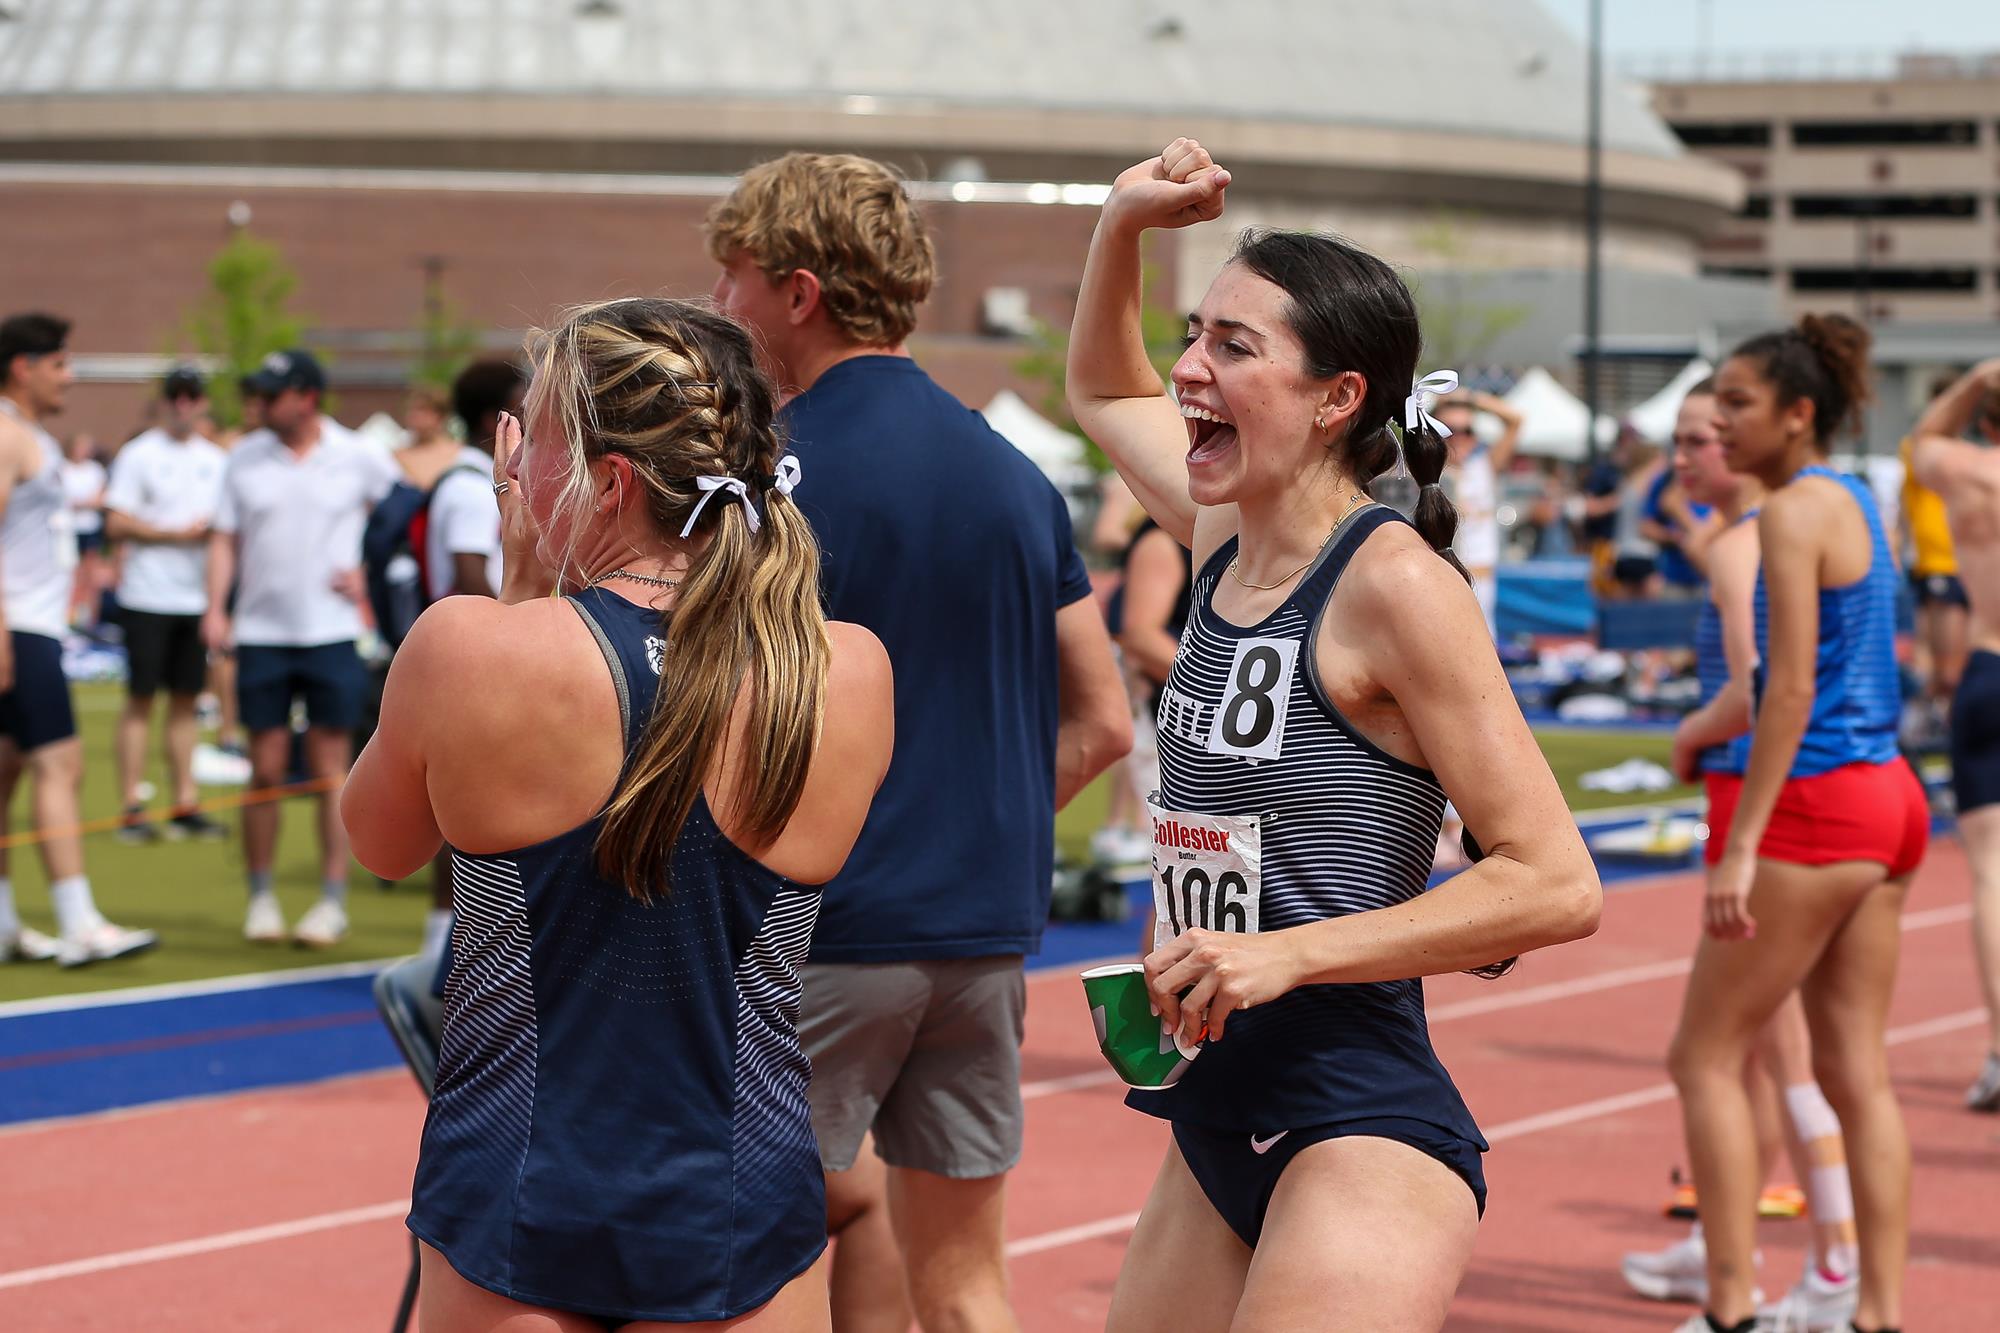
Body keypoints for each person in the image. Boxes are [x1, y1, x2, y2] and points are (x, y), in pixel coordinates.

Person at [1066, 138, 1600, 1332]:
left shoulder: (1394, 587)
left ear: (1335, 397)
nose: (1187, 367)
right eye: (1193, 334)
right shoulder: (1217, 534)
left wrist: (1285, 955)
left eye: (1230, 347)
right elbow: (1102, 389)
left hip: (1354, 1112)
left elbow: (1557, 882)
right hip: (1213, 1106)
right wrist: (1120, 226)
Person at [344, 296, 893, 1331]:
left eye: (535, 439)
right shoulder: (847, 669)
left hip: (514, 1186)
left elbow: (377, 843)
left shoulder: (469, 650)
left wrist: (516, 593)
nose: (515, 467)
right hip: (743, 1189)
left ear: (608, 480)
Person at [707, 150, 1132, 1333]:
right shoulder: (1013, 476)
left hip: (821, 926)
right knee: (964, 1281)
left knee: (764, 1254)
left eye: (730, 279)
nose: (718, 308)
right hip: (982, 930)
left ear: (797, 291)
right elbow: (1100, 720)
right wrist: (969, 825)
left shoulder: (766, 479)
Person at [1668, 314, 1927, 1333]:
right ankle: (1876, 1313)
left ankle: (1728, 1307)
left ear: (1796, 413)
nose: (1719, 422)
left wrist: (1741, 842)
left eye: (1734, 403)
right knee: (1854, 1070)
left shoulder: (1783, 517)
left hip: (1818, 801)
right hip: (1891, 797)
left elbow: (1780, 694)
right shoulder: (1858, 499)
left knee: (1701, 1055)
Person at [1625, 381, 1861, 1329]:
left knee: (1767, 1055)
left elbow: (1759, 685)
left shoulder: (1742, 547)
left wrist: (1688, 732)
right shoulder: (1771, 528)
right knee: (1771, 1053)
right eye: (1677, 441)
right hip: (1804, 797)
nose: (1684, 458)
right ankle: (1742, 1248)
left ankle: (1810, 1273)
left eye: (1701, 441)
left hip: (1760, 804)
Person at [205, 348, 400, 948]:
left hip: (331, 633)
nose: (259, 403)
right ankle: (261, 897)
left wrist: (369, 572)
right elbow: (223, 539)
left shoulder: (359, 455)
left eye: (272, 393)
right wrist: (215, 608)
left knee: (328, 771)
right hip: (261, 635)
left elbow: (403, 517)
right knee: (262, 769)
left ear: (307, 398)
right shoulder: (241, 458)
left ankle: (331, 901)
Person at [0, 312, 157, 966]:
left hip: (30, 623)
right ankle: (79, 923)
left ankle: (5, 924)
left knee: (5, 775)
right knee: (60, 765)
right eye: (61, 363)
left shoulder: (29, 433)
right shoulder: (7, 435)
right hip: (20, 627)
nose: (71, 375)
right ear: (23, 367)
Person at [1909, 357, 2000, 1112]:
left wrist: (1975, 375)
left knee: (1992, 873)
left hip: (1989, 666)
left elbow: (1922, 436)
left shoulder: (1970, 470)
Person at [104, 366, 231, 843]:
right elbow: (114, 522)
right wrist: (172, 534)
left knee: (185, 702)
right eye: (175, 395)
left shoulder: (215, 460)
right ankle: (133, 805)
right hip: (146, 595)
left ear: (201, 402)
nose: (183, 404)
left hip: (196, 598)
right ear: (164, 401)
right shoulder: (139, 455)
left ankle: (184, 801)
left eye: (191, 395)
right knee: (140, 701)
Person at [1902, 372, 1979, 751]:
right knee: (1944, 670)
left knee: (1958, 668)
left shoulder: (1966, 456)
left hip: (1965, 567)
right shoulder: (1922, 451)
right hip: (1937, 565)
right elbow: (1924, 439)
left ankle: (1938, 731)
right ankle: (1915, 728)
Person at [1432, 392, 1523, 637]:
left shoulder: (1484, 466)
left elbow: (1515, 420)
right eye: (1450, 429)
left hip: (1481, 582)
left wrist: (1469, 397)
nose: (1459, 438)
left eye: (1467, 430)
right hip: (1439, 580)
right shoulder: (1425, 474)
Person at [59, 431, 108, 630]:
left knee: (90, 574)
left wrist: (82, 503)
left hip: (89, 527)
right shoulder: (62, 468)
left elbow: (100, 499)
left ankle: (90, 620)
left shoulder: (95, 471)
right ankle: (69, 618)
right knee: (71, 573)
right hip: (69, 528)